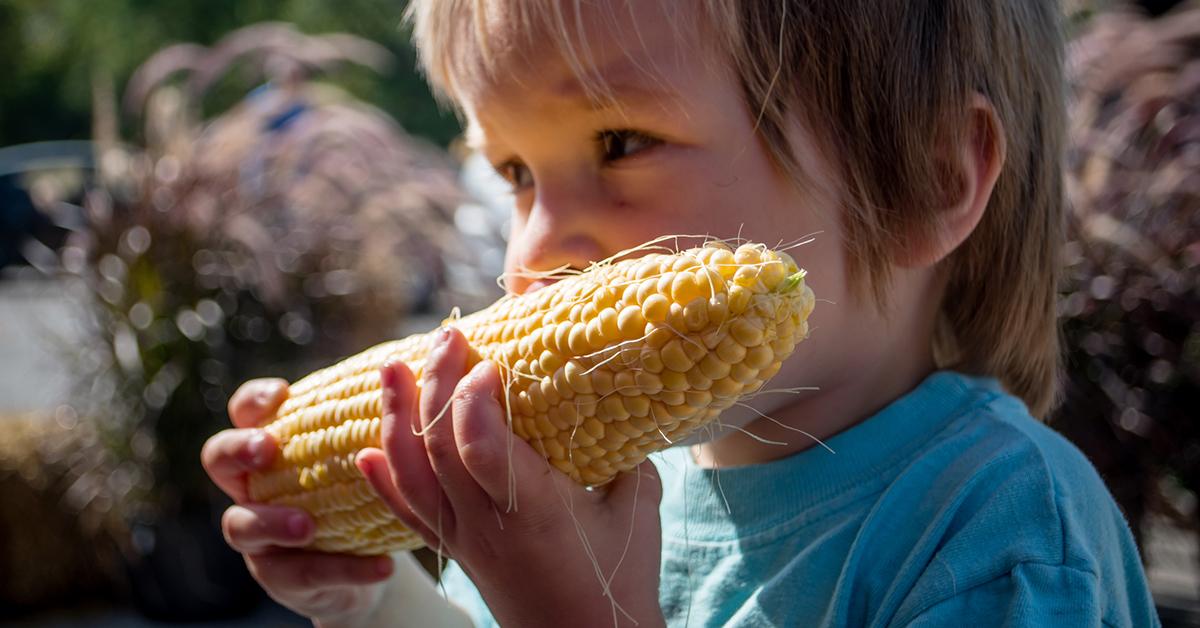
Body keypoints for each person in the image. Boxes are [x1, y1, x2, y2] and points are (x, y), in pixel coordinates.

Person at [200, 2, 1161, 626]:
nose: (532, 252)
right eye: (516, 174)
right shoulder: (590, 490)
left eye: (620, 142)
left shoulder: (1002, 533)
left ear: (926, 180)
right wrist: (371, 602)